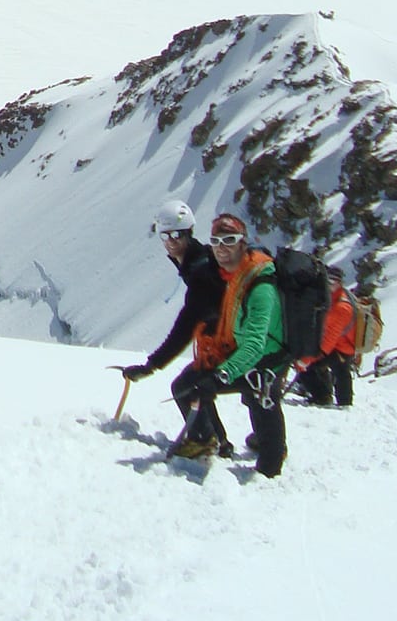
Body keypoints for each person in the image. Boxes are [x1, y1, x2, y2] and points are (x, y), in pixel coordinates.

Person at [170, 213, 289, 477]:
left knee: (262, 400)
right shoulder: (237, 275)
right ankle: (209, 440)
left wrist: (221, 374)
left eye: (229, 240)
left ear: (242, 243)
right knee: (189, 385)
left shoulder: (260, 287)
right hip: (249, 355)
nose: (221, 247)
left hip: (268, 360)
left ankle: (273, 458)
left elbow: (255, 344)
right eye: (216, 240)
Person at [119, 199, 230, 456]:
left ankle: (203, 441)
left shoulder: (200, 271)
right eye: (165, 235)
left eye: (176, 234)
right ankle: (218, 440)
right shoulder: (199, 262)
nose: (170, 241)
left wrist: (152, 365)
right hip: (229, 340)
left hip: (231, 344)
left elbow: (185, 326)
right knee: (197, 380)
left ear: (189, 233)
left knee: (184, 386)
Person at [298, 267, 356, 407]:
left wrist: (308, 359)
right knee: (340, 371)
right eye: (327, 280)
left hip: (342, 347)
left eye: (333, 281)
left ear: (340, 283)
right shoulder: (331, 298)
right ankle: (338, 400)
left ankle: (326, 398)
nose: (329, 284)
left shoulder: (341, 307)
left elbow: (329, 340)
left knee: (310, 366)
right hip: (341, 345)